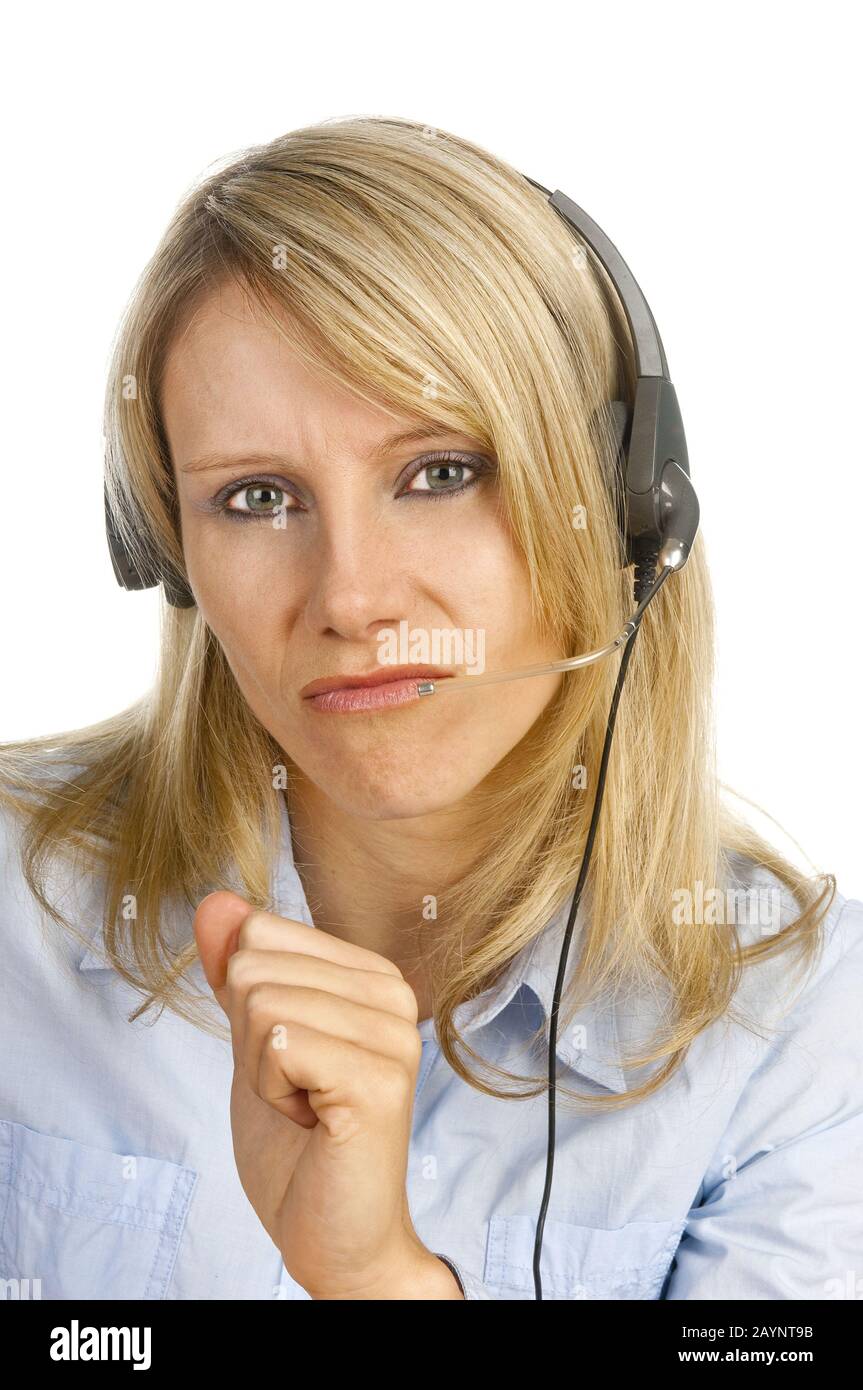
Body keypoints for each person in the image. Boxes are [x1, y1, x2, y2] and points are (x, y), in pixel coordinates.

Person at [0, 115, 860, 1302]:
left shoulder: (806, 1033)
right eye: (255, 497)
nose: (350, 597)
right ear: (173, 556)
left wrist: (376, 1279)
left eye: (438, 473)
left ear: (616, 506)